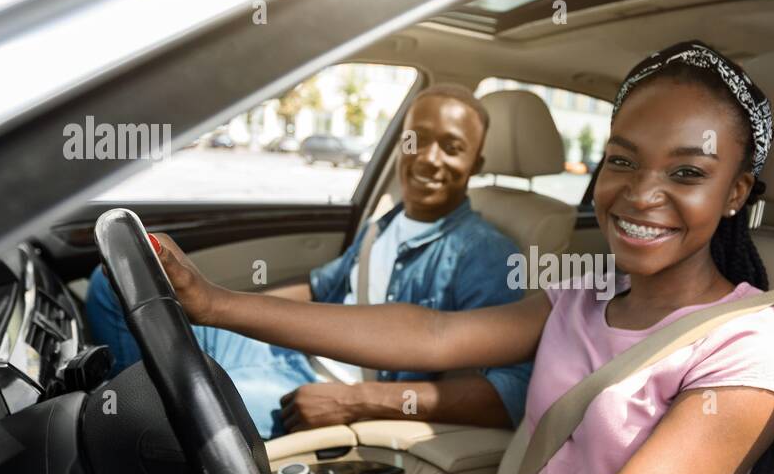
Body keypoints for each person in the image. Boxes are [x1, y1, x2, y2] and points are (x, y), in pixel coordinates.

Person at [153, 41, 774, 474]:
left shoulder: (749, 343)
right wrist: (215, 304)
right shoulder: (584, 293)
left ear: (735, 192)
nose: (641, 193)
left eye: (686, 172)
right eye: (623, 160)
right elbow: (431, 334)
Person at [85, 83, 531, 437]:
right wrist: (233, 316)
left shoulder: (486, 253)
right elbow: (319, 287)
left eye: (452, 147)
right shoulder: (386, 222)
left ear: (476, 163)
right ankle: (129, 407)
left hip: (322, 386)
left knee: (155, 420)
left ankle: (129, 427)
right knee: (116, 285)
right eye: (420, 139)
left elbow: (507, 393)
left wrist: (355, 401)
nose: (430, 158)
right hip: (287, 352)